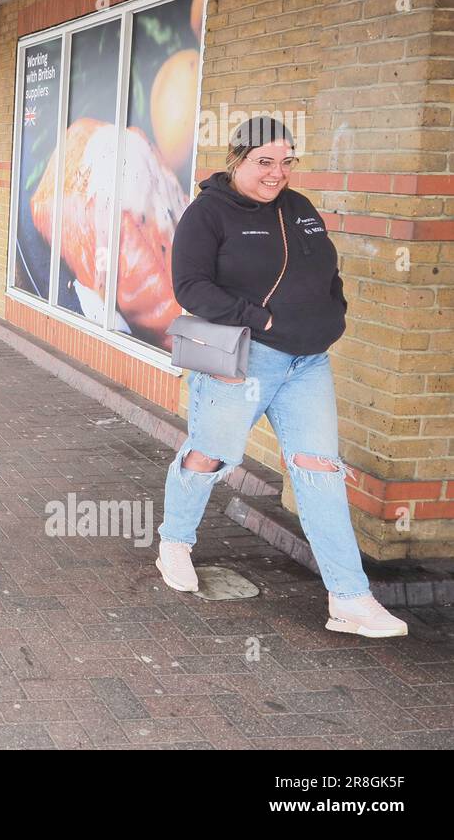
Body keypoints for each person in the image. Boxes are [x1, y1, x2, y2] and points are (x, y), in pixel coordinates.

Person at [158, 117, 407, 637]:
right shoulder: (208, 213)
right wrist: (261, 319)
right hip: (243, 359)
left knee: (320, 470)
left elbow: (326, 269)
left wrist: (331, 313)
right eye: (264, 162)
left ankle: (350, 599)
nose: (277, 173)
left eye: (286, 161)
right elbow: (190, 286)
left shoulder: (299, 208)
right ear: (237, 160)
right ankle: (175, 542)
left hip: (307, 363)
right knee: (210, 455)